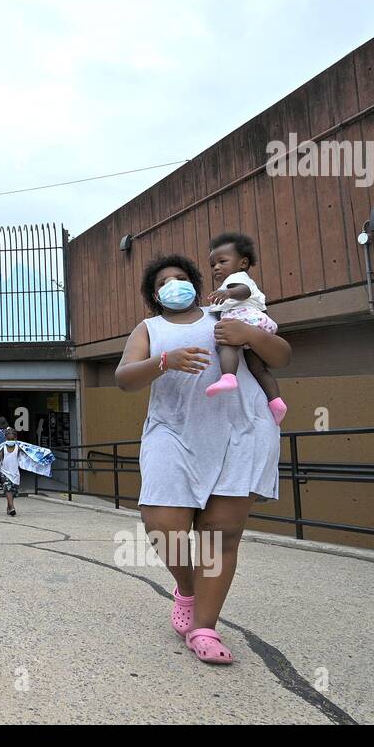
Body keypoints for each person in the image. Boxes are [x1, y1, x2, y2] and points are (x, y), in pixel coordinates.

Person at [115, 253, 290, 666]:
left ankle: (205, 629)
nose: (174, 284)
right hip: (172, 434)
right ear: (154, 295)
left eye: (181, 277)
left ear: (196, 283)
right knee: (163, 525)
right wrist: (163, 362)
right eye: (164, 282)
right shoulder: (149, 329)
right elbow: (124, 378)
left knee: (220, 534)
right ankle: (187, 589)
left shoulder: (227, 315)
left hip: (240, 432)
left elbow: (280, 356)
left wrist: (249, 332)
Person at [204, 232, 288, 425]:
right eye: (212, 265)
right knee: (258, 368)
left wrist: (228, 292)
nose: (216, 267)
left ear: (242, 263)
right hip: (259, 322)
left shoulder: (237, 278)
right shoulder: (235, 279)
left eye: (222, 261)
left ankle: (228, 376)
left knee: (225, 344)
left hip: (244, 318)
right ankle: (276, 402)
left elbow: (244, 291)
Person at [0, 426, 20, 516]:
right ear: (5, 439)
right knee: (8, 489)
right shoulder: (3, 448)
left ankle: (9, 508)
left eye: (12, 439)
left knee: (13, 491)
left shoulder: (18, 448)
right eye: (8, 439)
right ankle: (12, 508)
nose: (10, 441)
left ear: (16, 438)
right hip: (5, 472)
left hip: (15, 473)